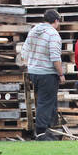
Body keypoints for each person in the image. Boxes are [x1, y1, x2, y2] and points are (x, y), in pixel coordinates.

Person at [21, 8, 64, 140]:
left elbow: (25, 51)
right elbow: (55, 57)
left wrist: (32, 64)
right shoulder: (53, 34)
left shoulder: (34, 30)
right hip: (47, 73)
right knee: (45, 102)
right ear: (56, 21)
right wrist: (61, 74)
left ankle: (47, 130)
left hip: (34, 71)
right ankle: (40, 132)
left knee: (44, 101)